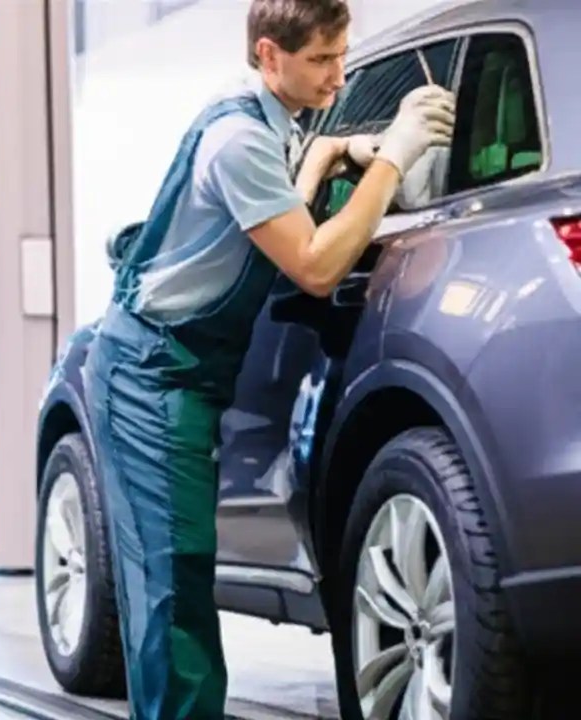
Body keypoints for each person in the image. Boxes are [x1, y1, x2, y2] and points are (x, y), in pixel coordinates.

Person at [83, 1, 456, 718]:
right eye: (323, 60)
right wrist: (398, 157)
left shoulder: (262, 119)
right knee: (171, 582)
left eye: (343, 55)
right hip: (150, 375)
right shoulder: (237, 141)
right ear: (268, 54)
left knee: (173, 580)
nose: (339, 76)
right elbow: (314, 265)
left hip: (179, 370)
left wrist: (333, 151)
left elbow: (289, 188)